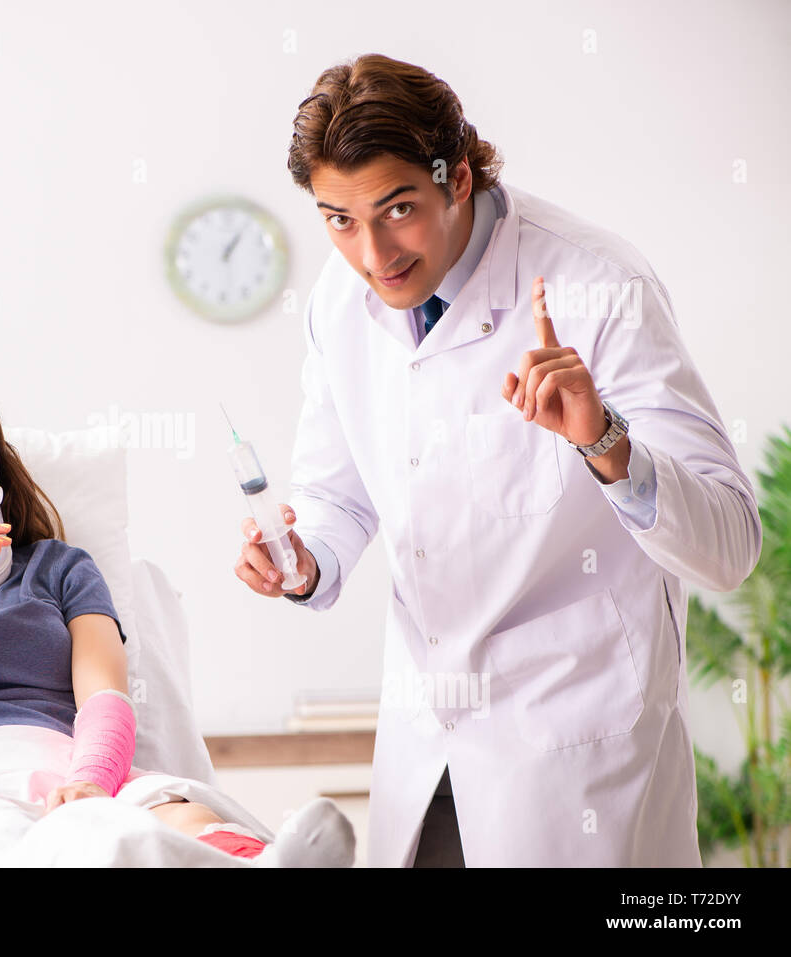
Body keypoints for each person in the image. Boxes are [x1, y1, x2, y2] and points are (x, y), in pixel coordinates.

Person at [234, 54, 762, 866]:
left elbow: (729, 546)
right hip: (426, 734)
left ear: (460, 177)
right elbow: (337, 496)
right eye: (339, 219)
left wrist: (605, 440)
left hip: (572, 743)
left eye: (397, 208)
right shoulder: (341, 304)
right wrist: (303, 559)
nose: (373, 254)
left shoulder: (599, 285)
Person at [0, 365, 355, 866]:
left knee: (178, 814)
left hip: (75, 769)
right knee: (36, 844)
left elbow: (105, 696)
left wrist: (90, 781)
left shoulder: (60, 568)